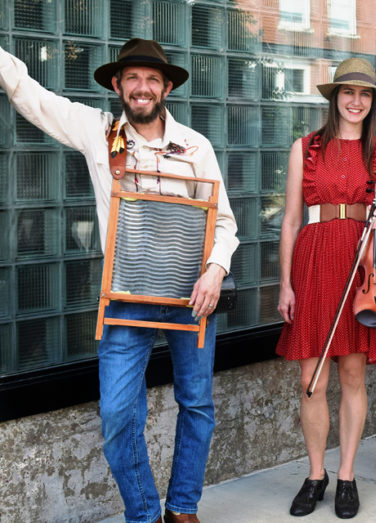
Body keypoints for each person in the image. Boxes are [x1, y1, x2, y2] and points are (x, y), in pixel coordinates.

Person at [0, 39, 238, 522]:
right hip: (126, 295)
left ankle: (184, 508)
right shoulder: (98, 132)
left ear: (167, 87)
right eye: (132, 78)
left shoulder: (196, 146)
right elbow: (32, 95)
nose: (142, 87)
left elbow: (225, 224)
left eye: (153, 79)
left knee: (196, 404)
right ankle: (145, 513)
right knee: (115, 416)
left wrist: (215, 270)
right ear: (117, 84)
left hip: (190, 296)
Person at [276, 58, 376, 519]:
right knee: (312, 382)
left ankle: (346, 475)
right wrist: (285, 284)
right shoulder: (305, 148)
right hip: (314, 262)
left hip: (365, 267)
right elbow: (290, 220)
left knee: (352, 377)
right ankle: (315, 474)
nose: (355, 101)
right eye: (347, 93)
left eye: (364, 94)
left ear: (372, 103)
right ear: (334, 99)